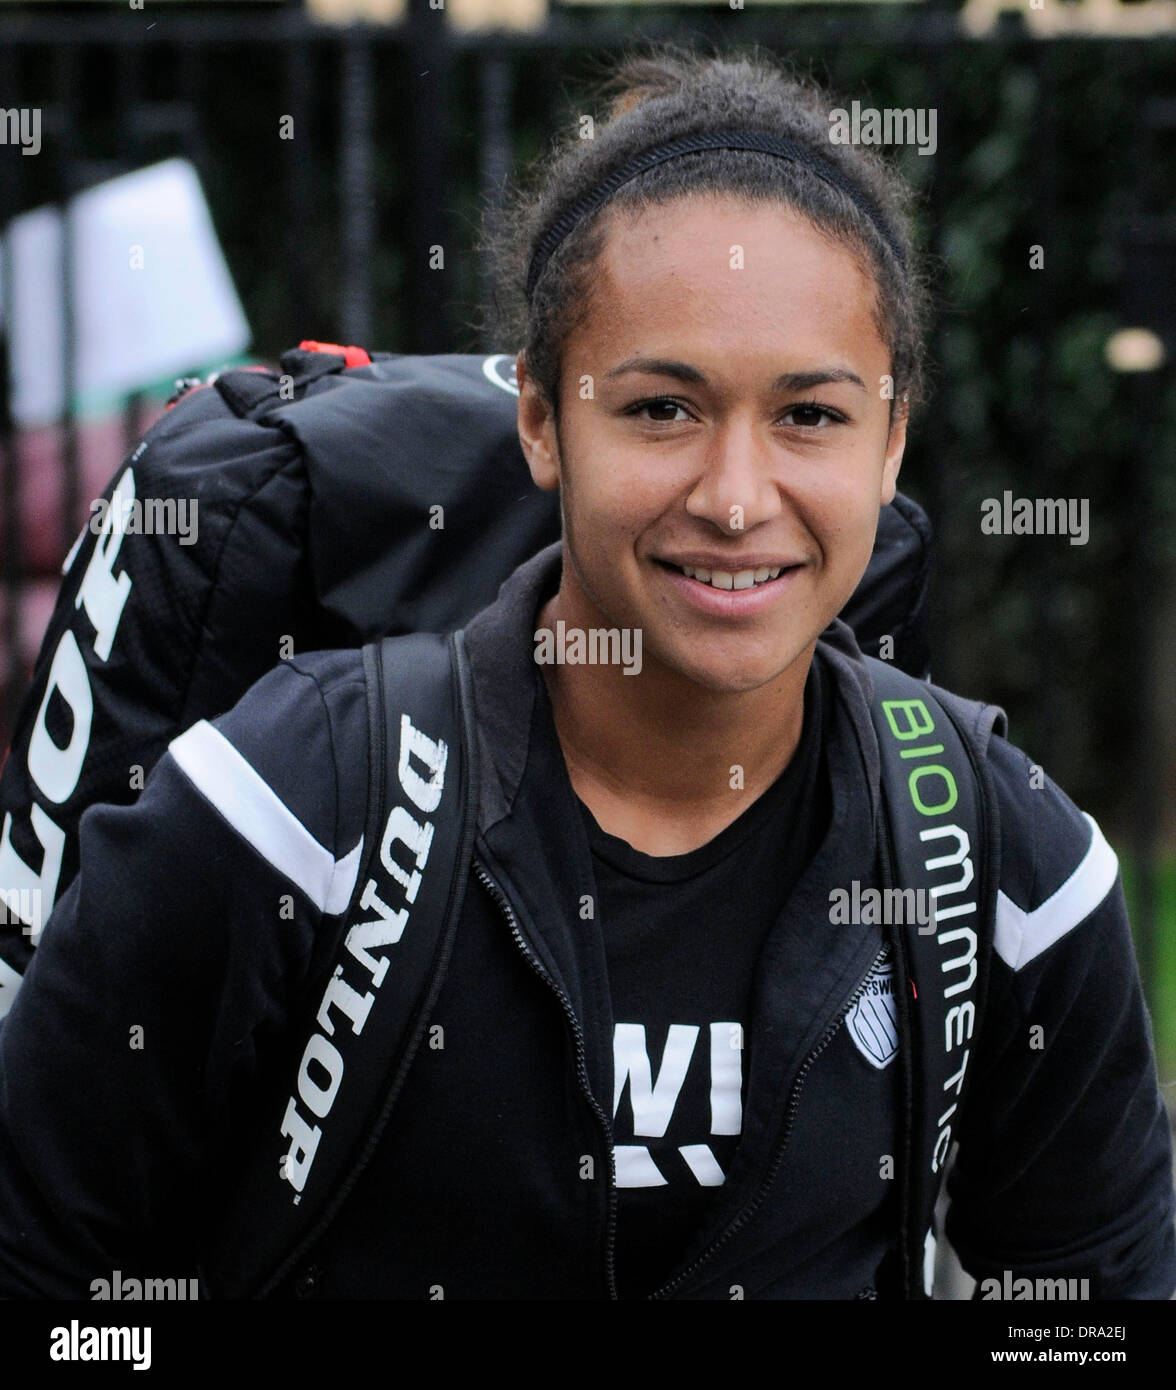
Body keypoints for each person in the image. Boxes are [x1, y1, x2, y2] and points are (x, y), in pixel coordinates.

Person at [0, 41, 1172, 1302]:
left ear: (893, 441)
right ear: (544, 422)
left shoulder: (1010, 865)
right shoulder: (285, 816)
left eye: (810, 415)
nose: (735, 498)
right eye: (661, 409)